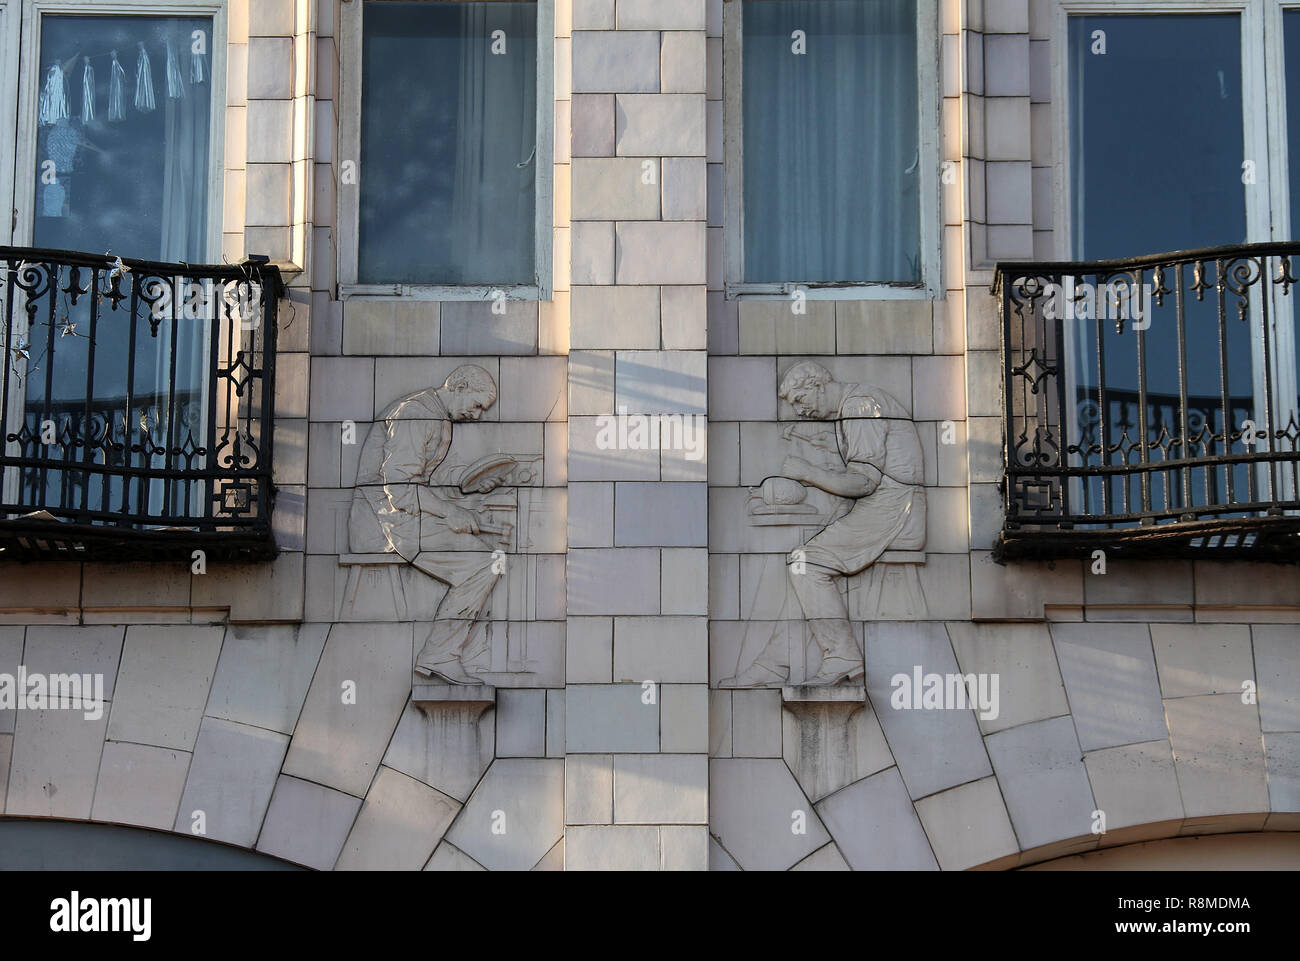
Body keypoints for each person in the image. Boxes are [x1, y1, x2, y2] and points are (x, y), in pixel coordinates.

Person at [725, 361, 926, 687]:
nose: (800, 411)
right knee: (802, 567)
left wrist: (807, 473)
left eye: (800, 400)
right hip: (884, 506)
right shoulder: (856, 405)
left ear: (818, 384)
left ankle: (842, 658)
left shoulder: (861, 406)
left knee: (806, 565)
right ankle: (775, 662)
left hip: (895, 511)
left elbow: (863, 483)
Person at [348, 365, 506, 684]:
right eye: (476, 406)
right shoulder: (416, 414)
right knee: (484, 564)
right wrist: (451, 513)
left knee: (486, 559)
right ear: (459, 387)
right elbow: (400, 488)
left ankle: (446, 652)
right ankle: (440, 656)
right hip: (385, 521)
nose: (476, 416)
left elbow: (421, 476)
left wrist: (470, 486)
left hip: (401, 516)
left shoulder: (435, 415)